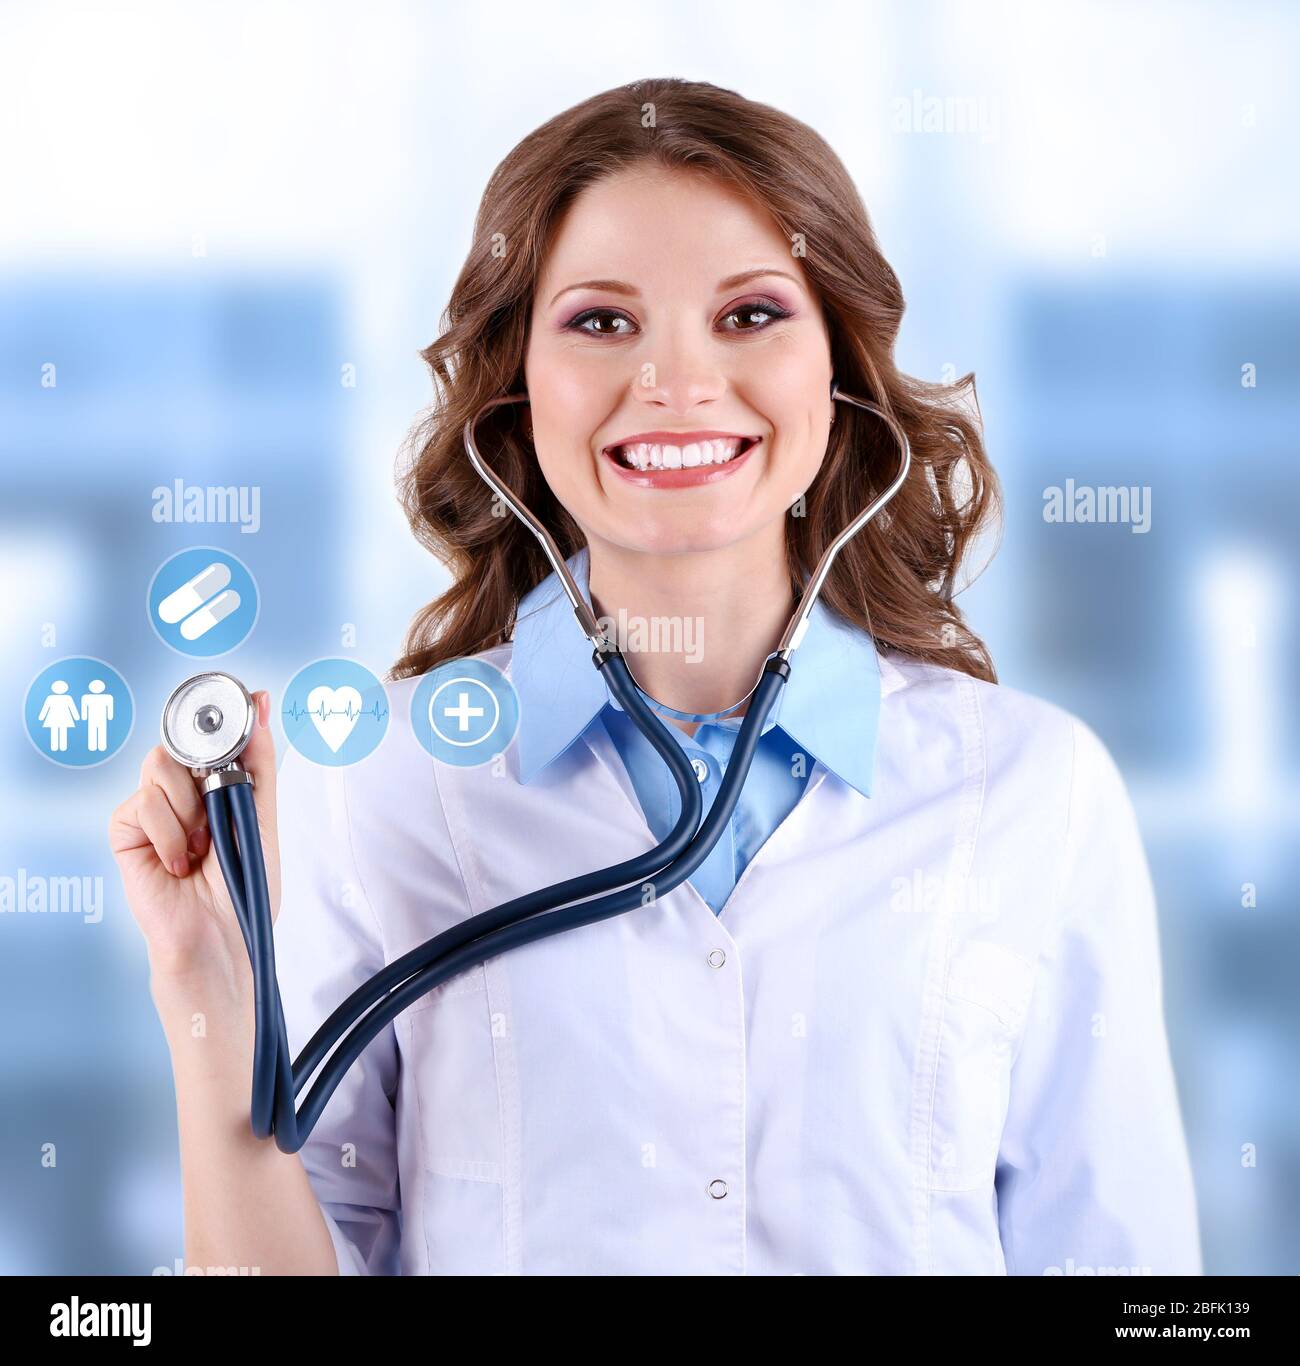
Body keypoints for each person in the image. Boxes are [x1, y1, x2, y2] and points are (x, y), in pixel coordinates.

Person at [109, 77, 1202, 1276]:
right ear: (515, 384)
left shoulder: (1032, 788)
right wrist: (212, 1005)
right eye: (600, 320)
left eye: (748, 315)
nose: (676, 383)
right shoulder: (378, 785)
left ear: (837, 373)